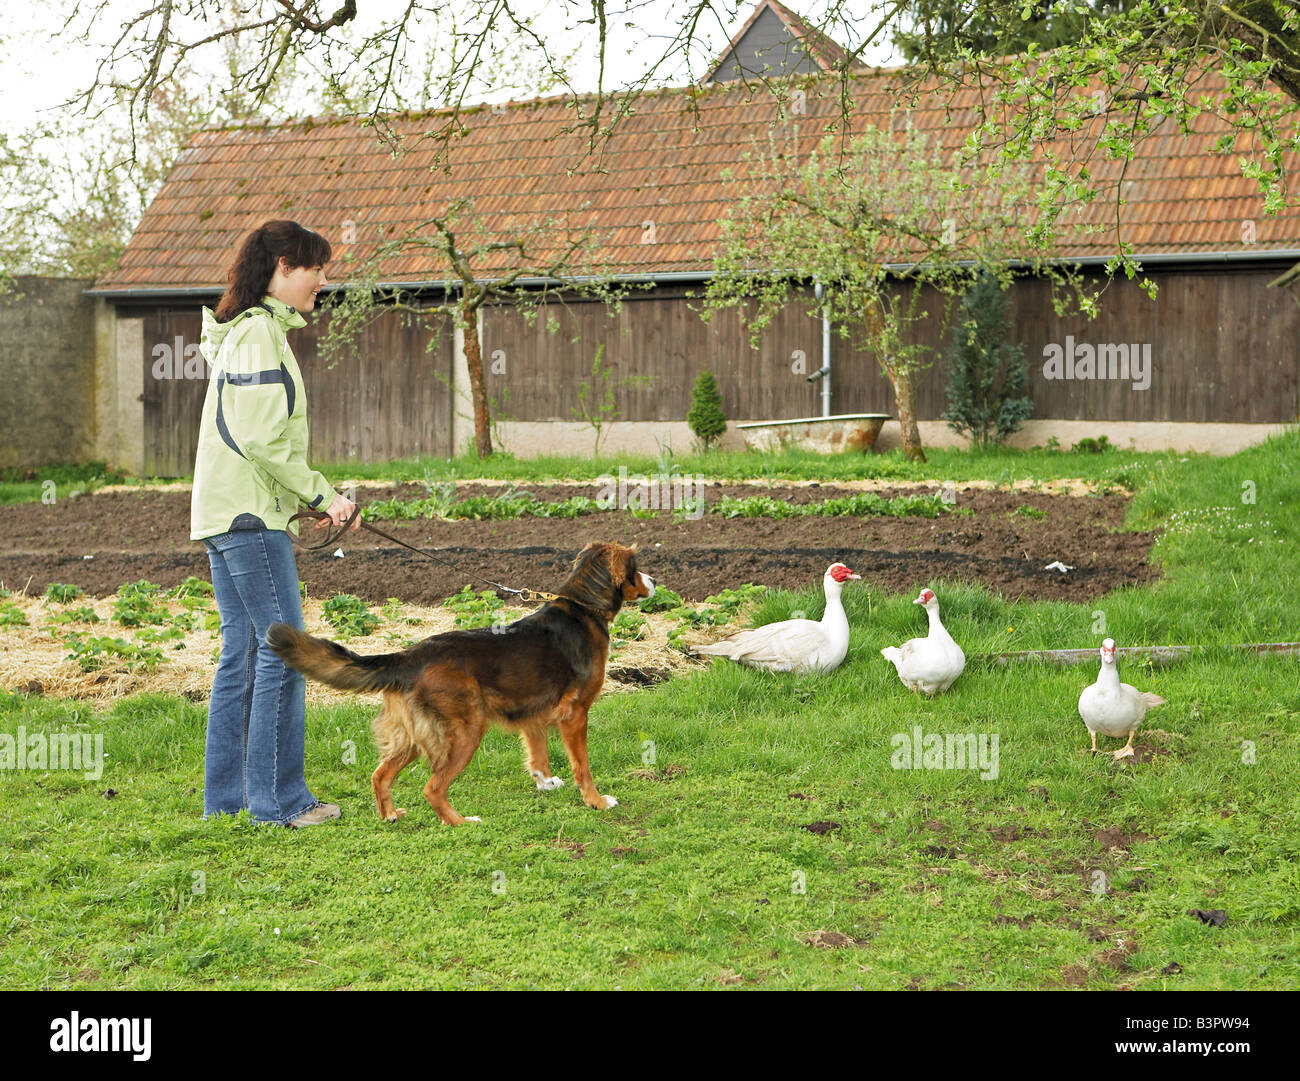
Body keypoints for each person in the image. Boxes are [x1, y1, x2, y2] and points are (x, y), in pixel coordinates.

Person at [190, 219, 359, 827]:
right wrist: (325, 495)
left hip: (226, 510)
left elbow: (251, 440)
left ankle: (229, 801)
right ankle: (278, 803)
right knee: (286, 651)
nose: (324, 280)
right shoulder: (260, 334)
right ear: (285, 266)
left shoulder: (245, 331)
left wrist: (299, 500)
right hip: (247, 516)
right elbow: (263, 439)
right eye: (318, 268)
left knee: (242, 649)